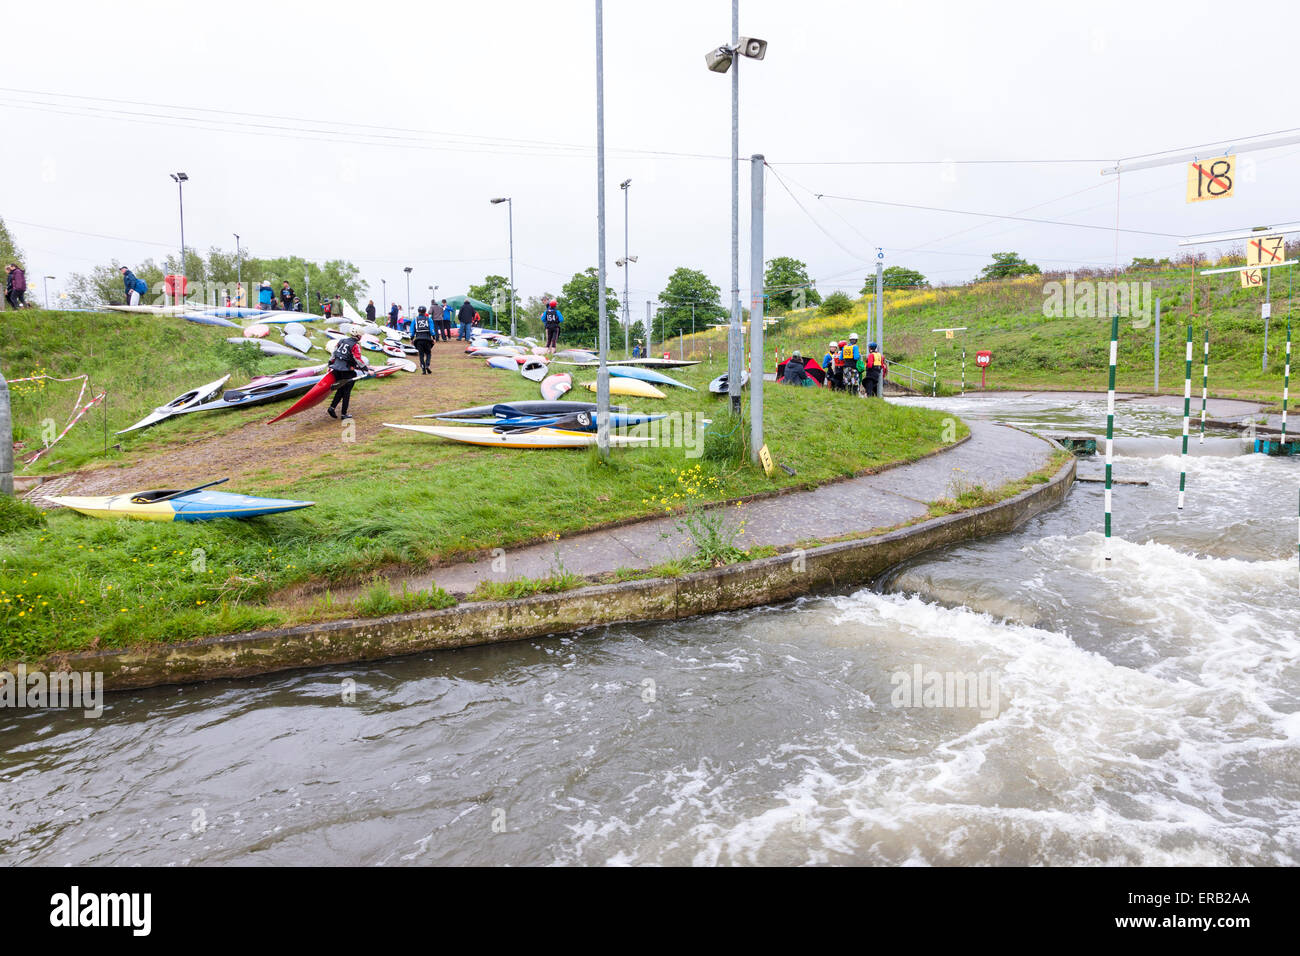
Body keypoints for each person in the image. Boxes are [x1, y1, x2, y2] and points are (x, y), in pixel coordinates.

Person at [327, 324, 370, 420]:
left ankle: (332, 407)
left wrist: (330, 364)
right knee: (346, 392)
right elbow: (357, 359)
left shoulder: (342, 341)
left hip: (336, 368)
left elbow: (334, 353)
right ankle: (344, 414)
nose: (361, 337)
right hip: (346, 370)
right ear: (358, 335)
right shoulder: (355, 345)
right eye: (361, 335)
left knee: (340, 389)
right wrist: (366, 370)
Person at [412, 306, 435, 373]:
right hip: (427, 339)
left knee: (421, 354)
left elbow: (412, 330)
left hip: (418, 339)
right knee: (428, 353)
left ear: (418, 311)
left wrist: (412, 338)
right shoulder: (429, 319)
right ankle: (427, 365)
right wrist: (433, 338)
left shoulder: (415, 320)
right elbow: (432, 330)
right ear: (425, 312)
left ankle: (423, 368)